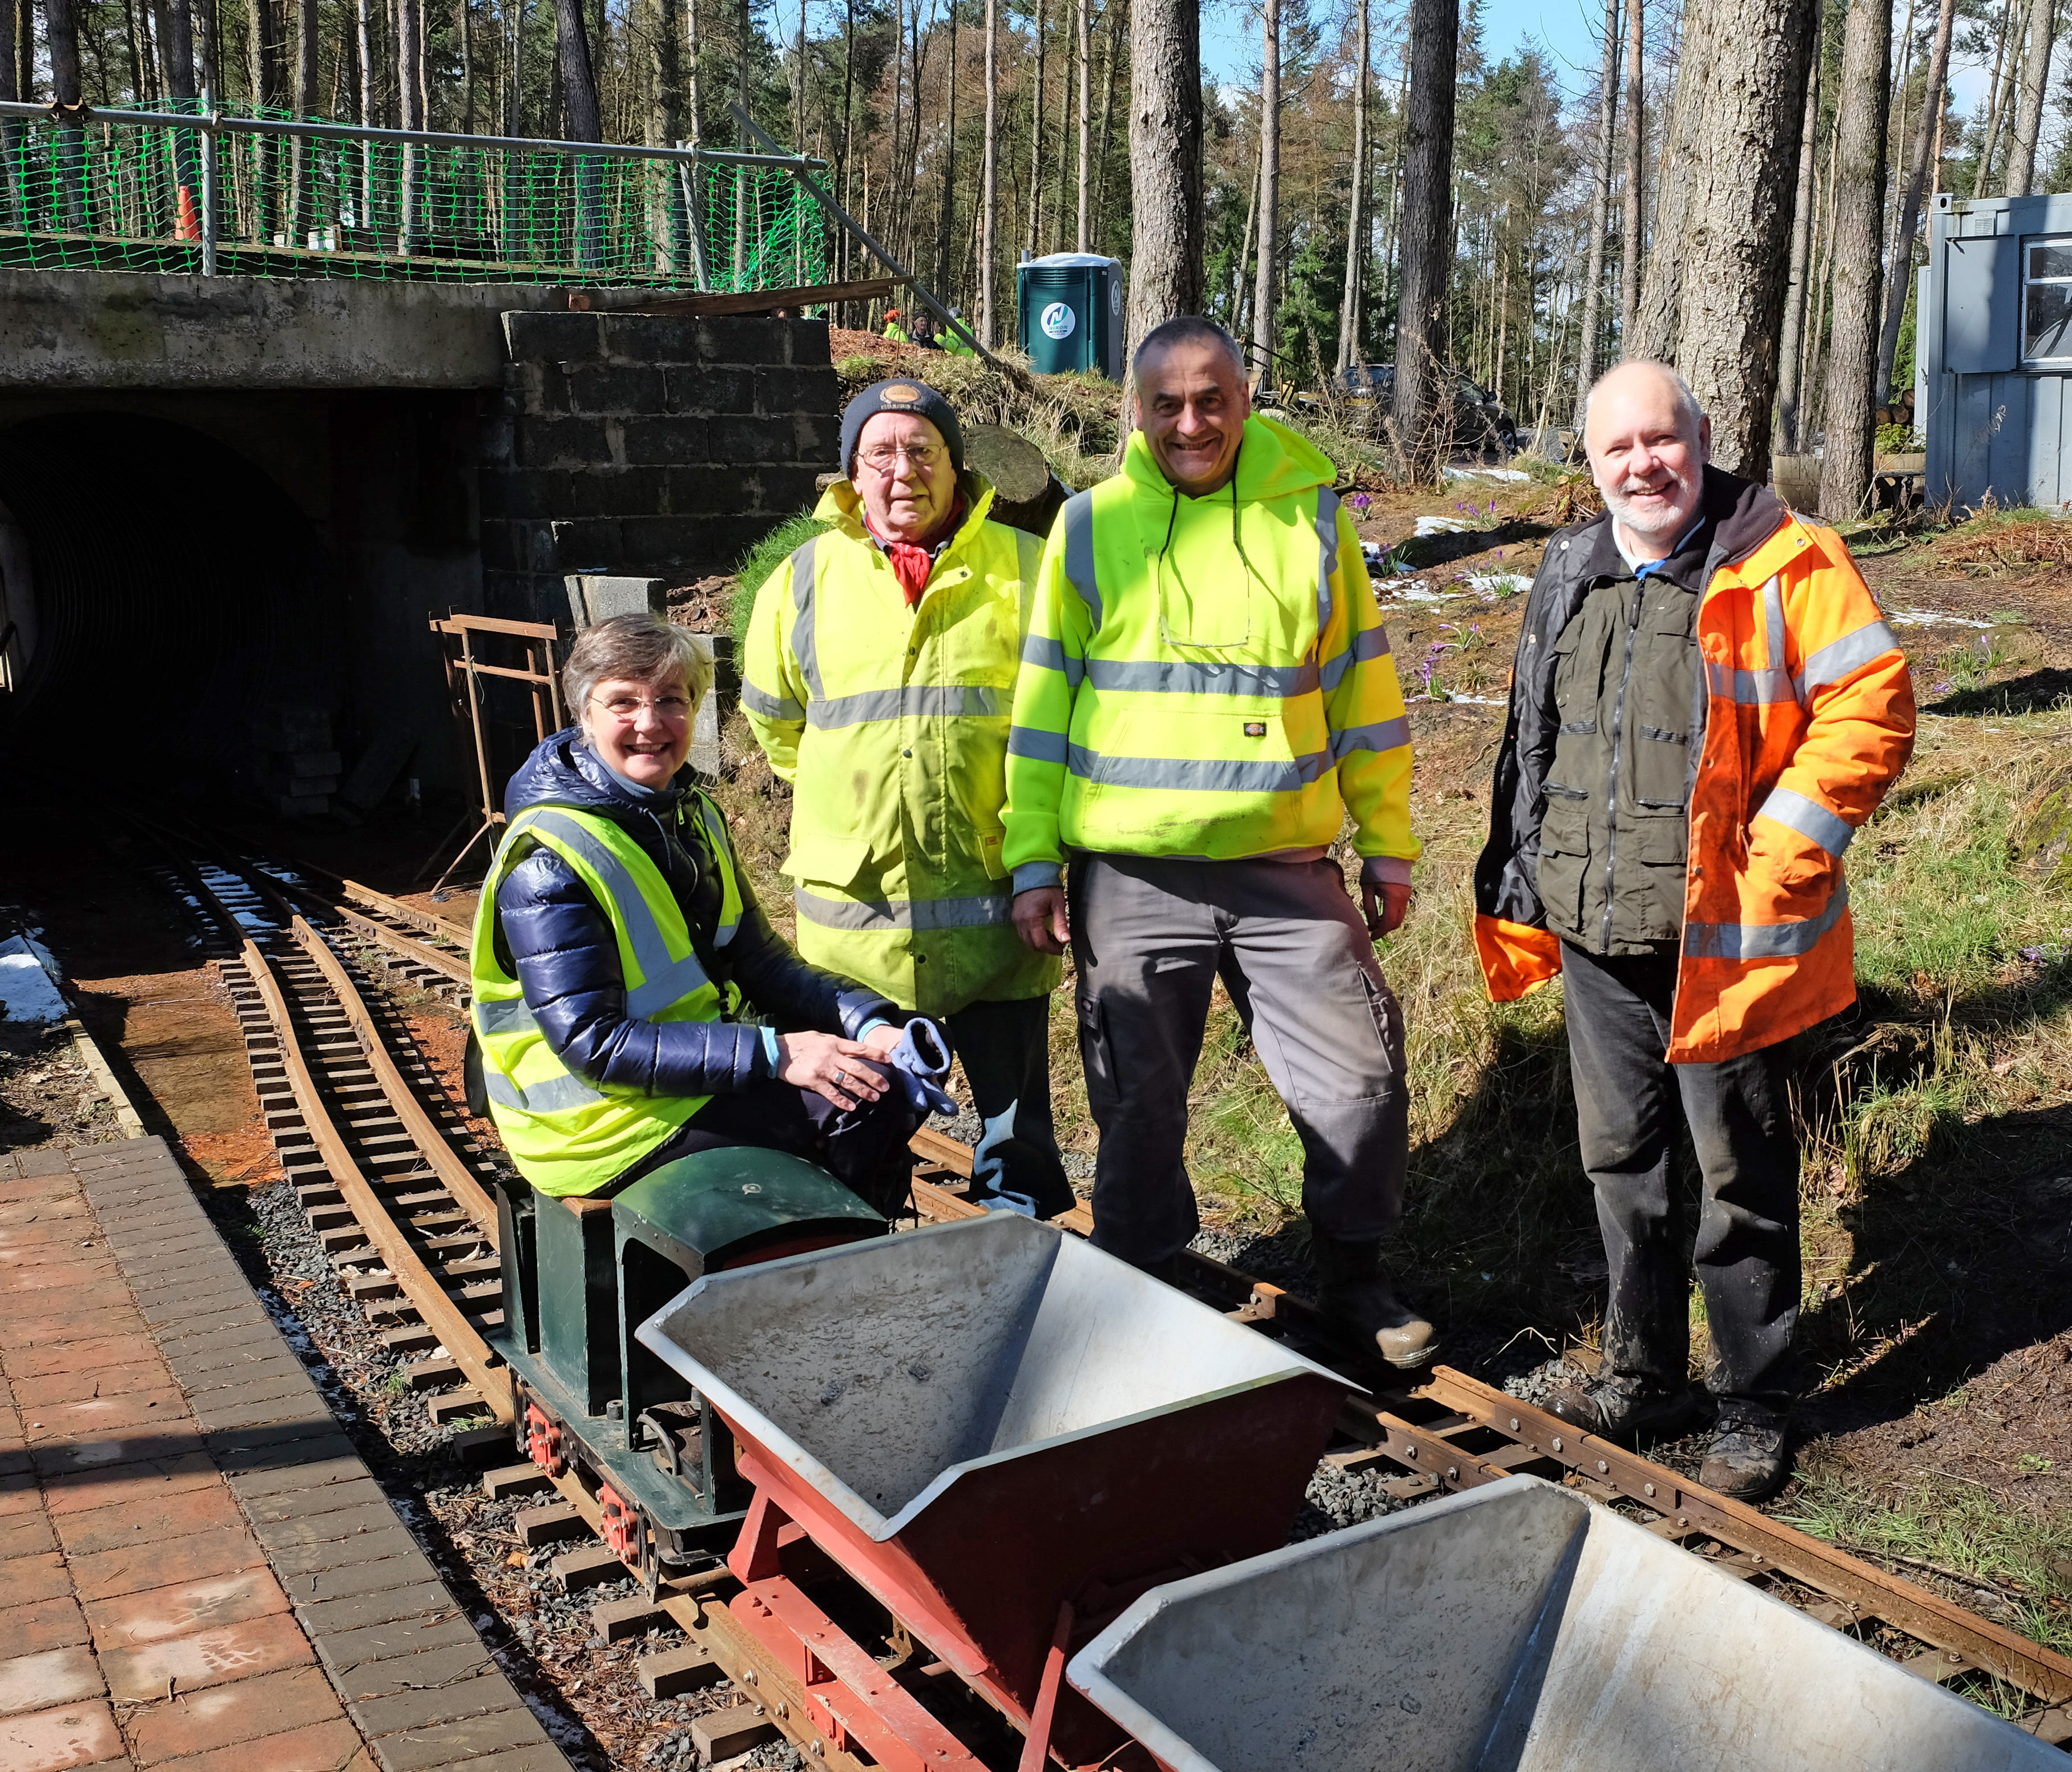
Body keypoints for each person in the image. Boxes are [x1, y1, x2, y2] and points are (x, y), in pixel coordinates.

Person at [1473, 360, 1914, 1499]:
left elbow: (1872, 705)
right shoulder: (1571, 565)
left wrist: (1783, 858)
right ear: (1591, 461)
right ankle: (1645, 1374)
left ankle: (1754, 1400)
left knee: (1738, 1178)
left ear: (1703, 438)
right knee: (1621, 1161)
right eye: (1617, 448)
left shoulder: (1785, 560)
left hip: (1726, 941)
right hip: (1594, 929)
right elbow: (1535, 743)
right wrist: (1521, 883)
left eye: (1661, 441)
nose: (1643, 465)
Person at [1001, 316, 1431, 1367]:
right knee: (1138, 1103)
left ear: (1246, 399)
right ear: (1135, 411)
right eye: (1167, 403)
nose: (1191, 422)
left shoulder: (1312, 525)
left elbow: (1363, 692)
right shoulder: (1092, 528)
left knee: (1358, 1081)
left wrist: (1389, 842)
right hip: (1131, 875)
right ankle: (1145, 1280)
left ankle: (1353, 1275)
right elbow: (1043, 706)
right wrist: (1032, 860)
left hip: (1288, 871)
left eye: (1212, 399)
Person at [471, 612, 938, 1210]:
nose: (650, 723)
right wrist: (778, 1054)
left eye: (671, 699)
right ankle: (826, 1273)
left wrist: (870, 1021)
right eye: (623, 702)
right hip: (603, 1124)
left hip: (681, 1081)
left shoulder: (690, 815)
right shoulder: (551, 862)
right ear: (584, 715)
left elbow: (760, 962)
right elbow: (596, 1043)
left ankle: (827, 1260)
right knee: (862, 1097)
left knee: (884, 1060)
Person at [743, 379, 1074, 1218]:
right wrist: (851, 803)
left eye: (922, 450)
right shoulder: (801, 582)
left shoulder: (1032, 570)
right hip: (854, 936)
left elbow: (1070, 725)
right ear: (849, 475)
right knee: (852, 1133)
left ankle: (1016, 1272)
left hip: (1000, 909)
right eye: (879, 453)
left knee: (1016, 1135)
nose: (902, 471)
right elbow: (775, 725)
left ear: (956, 468)